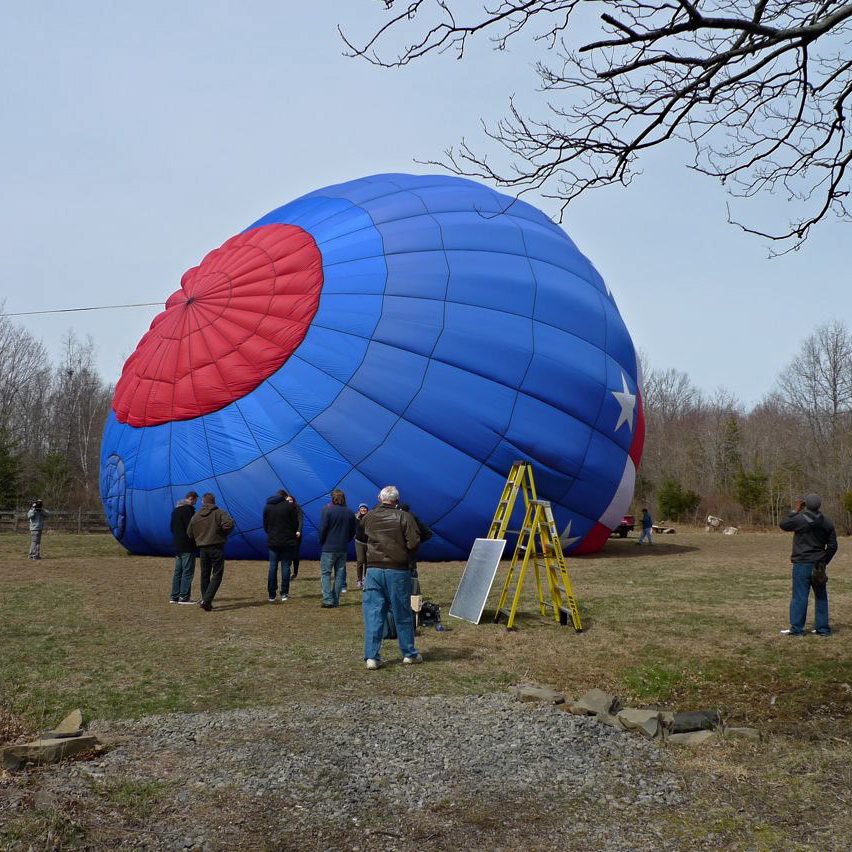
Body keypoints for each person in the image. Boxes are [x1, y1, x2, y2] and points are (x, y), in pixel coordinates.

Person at [362, 485, 422, 669]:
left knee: (374, 613)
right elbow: (413, 542)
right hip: (397, 569)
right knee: (402, 612)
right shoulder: (405, 517)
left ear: (380, 498)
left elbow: (361, 537)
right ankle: (409, 653)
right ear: (397, 500)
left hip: (373, 569)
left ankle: (372, 657)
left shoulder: (368, 516)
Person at [779, 494, 837, 636]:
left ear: (806, 505)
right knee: (821, 596)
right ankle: (823, 629)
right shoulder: (827, 523)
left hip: (801, 564)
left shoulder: (799, 519)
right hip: (818, 564)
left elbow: (783, 524)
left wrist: (795, 510)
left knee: (800, 597)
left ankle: (797, 629)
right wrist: (824, 561)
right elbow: (833, 546)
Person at [186, 493, 235, 612]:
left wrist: (200, 536)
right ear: (214, 502)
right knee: (217, 575)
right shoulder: (219, 513)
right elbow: (229, 524)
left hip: (203, 548)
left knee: (205, 575)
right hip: (216, 547)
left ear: (203, 502)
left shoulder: (196, 515)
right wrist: (222, 533)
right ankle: (206, 601)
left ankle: (206, 601)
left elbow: (189, 533)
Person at [318, 489, 357, 608]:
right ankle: (335, 600)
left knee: (326, 573)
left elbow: (323, 528)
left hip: (329, 547)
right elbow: (353, 531)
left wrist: (322, 541)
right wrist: (346, 541)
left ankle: (328, 600)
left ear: (332, 498)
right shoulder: (350, 512)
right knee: (340, 574)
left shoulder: (327, 509)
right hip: (342, 547)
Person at [263, 490, 301, 602]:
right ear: (285, 497)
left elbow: (265, 525)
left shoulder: (267, 507)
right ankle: (284, 593)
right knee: (286, 567)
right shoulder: (290, 507)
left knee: (272, 567)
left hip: (273, 541)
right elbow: (295, 523)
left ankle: (271, 594)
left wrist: (271, 533)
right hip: (287, 542)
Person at [169, 491, 198, 603]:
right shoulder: (189, 511)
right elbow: (192, 528)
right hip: (188, 545)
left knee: (178, 571)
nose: (195, 503)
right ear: (191, 498)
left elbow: (172, 528)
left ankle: (174, 596)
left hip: (177, 545)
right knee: (187, 571)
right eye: (195, 500)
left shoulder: (175, 511)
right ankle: (184, 596)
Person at [355, 503, 369, 589]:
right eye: (362, 508)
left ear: (367, 509)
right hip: (359, 542)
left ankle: (365, 579)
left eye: (365, 508)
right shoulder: (356, 518)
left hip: (368, 543)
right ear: (359, 509)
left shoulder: (370, 518)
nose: (363, 510)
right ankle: (359, 580)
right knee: (360, 561)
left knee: (367, 561)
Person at [291, 498, 304, 580]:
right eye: (287, 500)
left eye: (290, 500)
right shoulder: (283, 509)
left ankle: (295, 572)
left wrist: (299, 531)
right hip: (287, 535)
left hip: (296, 535)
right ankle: (287, 572)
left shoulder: (297, 508)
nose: (289, 501)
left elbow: (300, 520)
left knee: (295, 554)